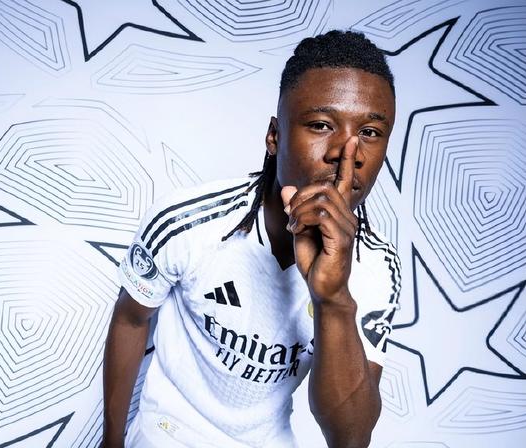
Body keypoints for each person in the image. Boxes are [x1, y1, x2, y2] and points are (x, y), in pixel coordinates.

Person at [102, 30, 401, 448]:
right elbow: (131, 319)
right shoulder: (188, 220)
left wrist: (333, 299)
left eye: (369, 132)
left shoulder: (378, 267)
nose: (346, 153)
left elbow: (350, 440)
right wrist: (111, 442)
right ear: (274, 136)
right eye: (321, 125)